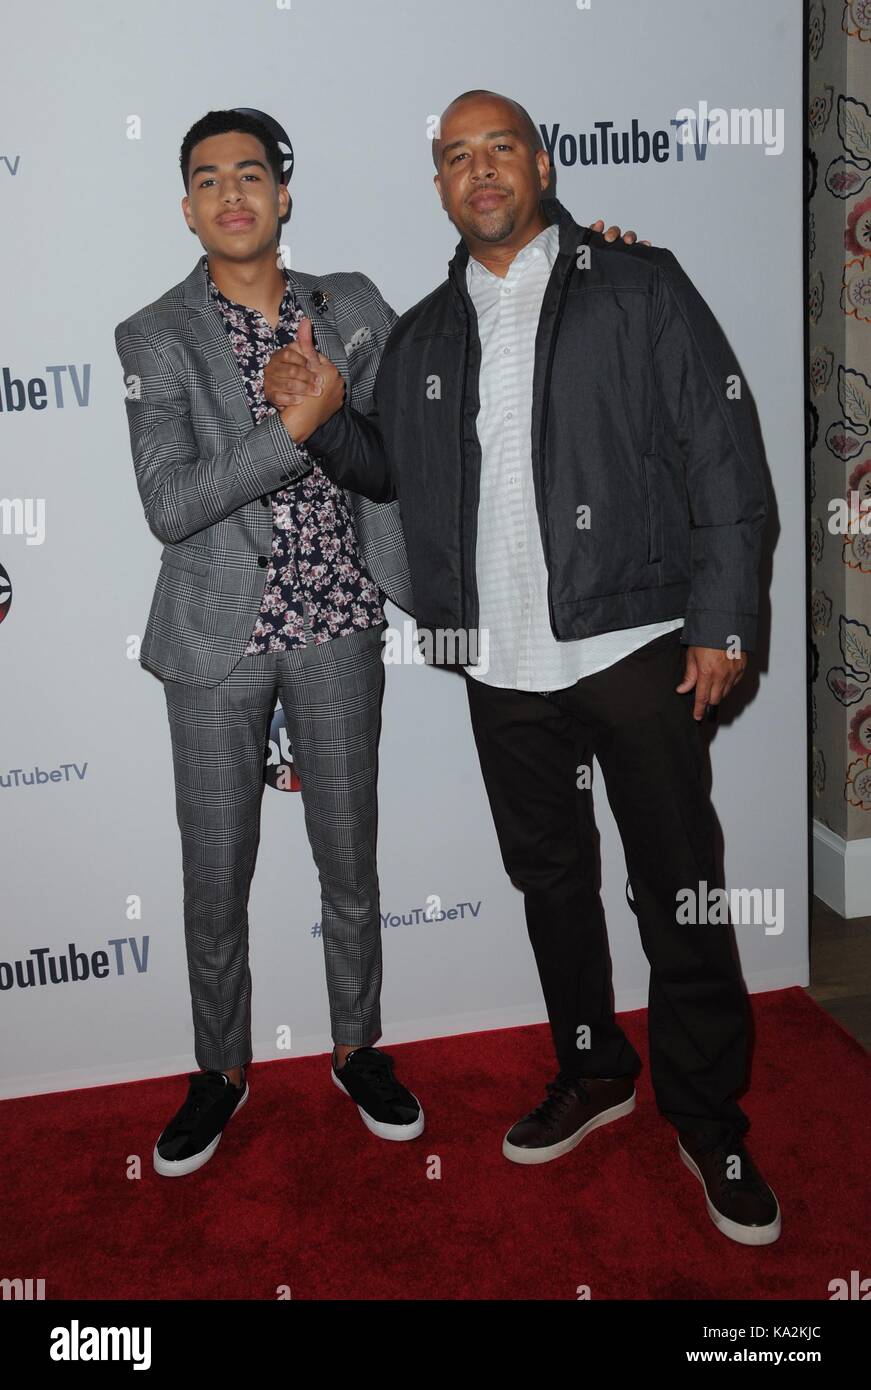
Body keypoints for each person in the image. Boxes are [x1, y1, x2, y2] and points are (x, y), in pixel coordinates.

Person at [263, 89, 780, 1246]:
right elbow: (395, 470)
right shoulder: (427, 331)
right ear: (439, 185)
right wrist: (326, 417)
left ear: (541, 164)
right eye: (455, 156)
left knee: (676, 887)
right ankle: (594, 1064)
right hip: (500, 662)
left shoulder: (640, 284)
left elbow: (723, 452)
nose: (479, 171)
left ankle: (709, 1113)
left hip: (635, 645)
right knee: (552, 882)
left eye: (499, 148)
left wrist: (723, 618)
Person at [114, 105, 641, 1177]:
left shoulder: (350, 304)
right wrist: (293, 430)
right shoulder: (150, 336)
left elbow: (457, 378)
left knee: (348, 863)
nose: (232, 195)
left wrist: (593, 273)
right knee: (216, 877)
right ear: (186, 207)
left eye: (251, 175)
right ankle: (218, 1069)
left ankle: (358, 1049)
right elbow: (172, 504)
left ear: (283, 194)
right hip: (215, 638)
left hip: (343, 625)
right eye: (209, 180)